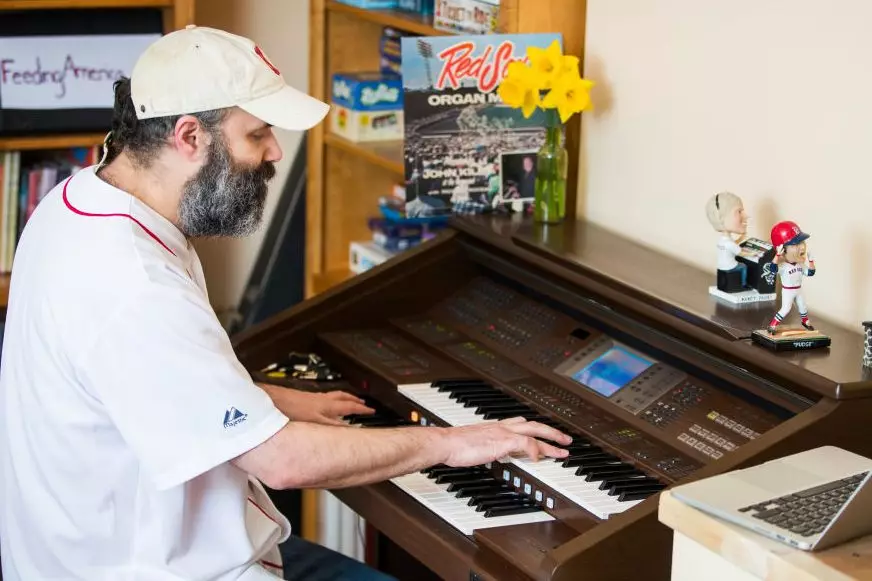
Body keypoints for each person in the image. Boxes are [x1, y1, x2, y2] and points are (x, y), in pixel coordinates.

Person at [0, 26, 570, 581]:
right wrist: (451, 442)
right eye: (257, 134)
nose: (275, 151)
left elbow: (141, 381)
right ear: (190, 137)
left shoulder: (77, 198)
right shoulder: (132, 281)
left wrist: (261, 401)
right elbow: (282, 462)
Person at [705, 191, 749, 289]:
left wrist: (742, 236)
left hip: (721, 265)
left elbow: (734, 244)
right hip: (730, 266)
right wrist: (755, 254)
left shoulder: (723, 241)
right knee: (743, 266)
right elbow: (742, 253)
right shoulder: (728, 243)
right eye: (739, 211)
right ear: (721, 218)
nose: (746, 216)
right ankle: (743, 284)